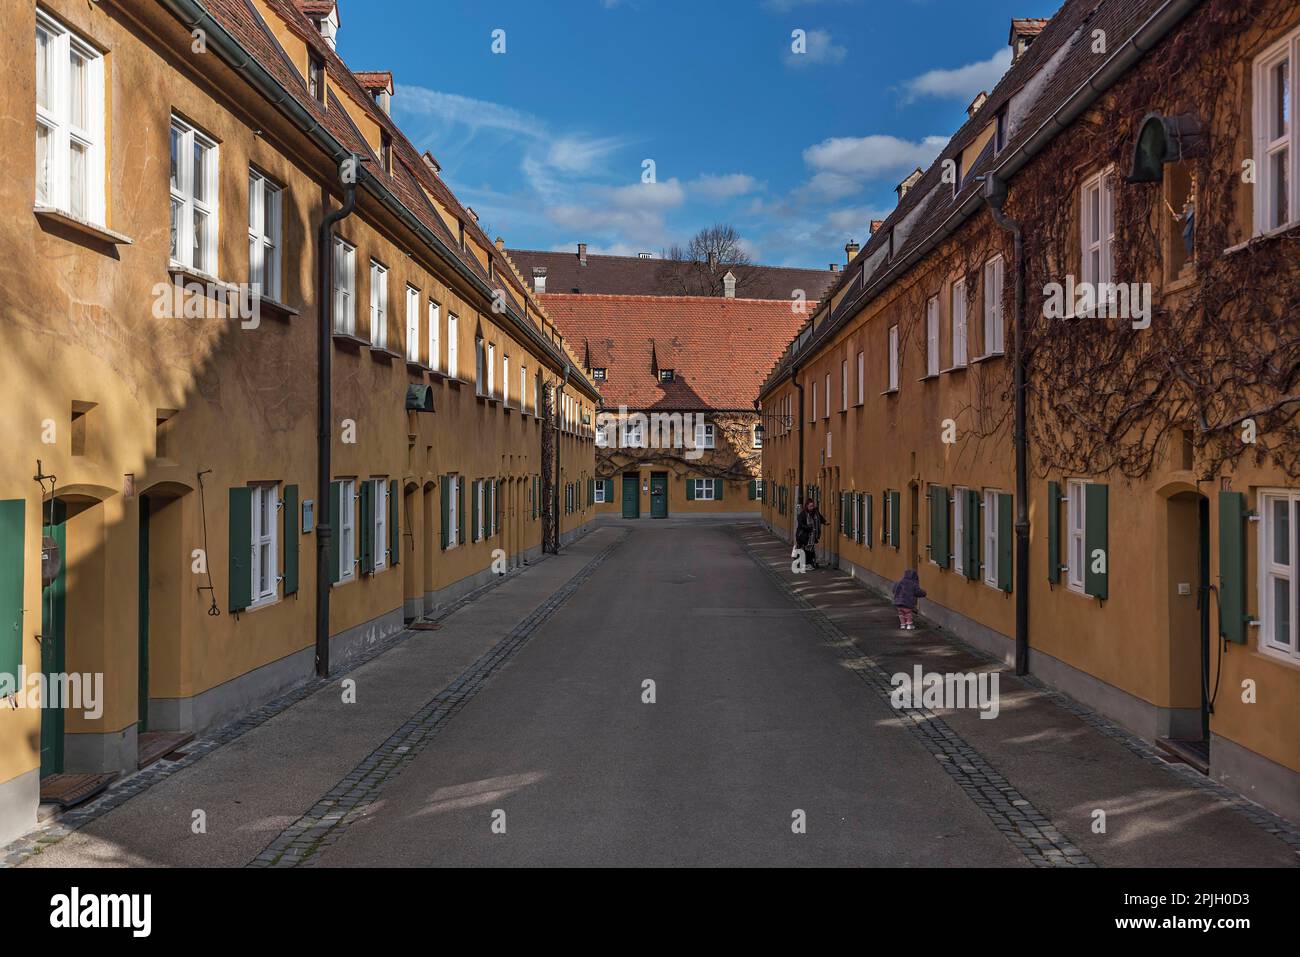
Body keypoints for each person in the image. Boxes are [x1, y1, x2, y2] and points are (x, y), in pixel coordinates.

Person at [795, 498, 828, 569]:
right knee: (806, 550)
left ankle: (810, 563)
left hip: (812, 536)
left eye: (812, 506)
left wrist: (825, 522)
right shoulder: (802, 514)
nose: (812, 508)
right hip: (803, 535)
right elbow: (801, 525)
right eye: (810, 506)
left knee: (810, 549)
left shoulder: (815, 512)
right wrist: (809, 527)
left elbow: (820, 518)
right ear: (806, 506)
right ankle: (805, 563)